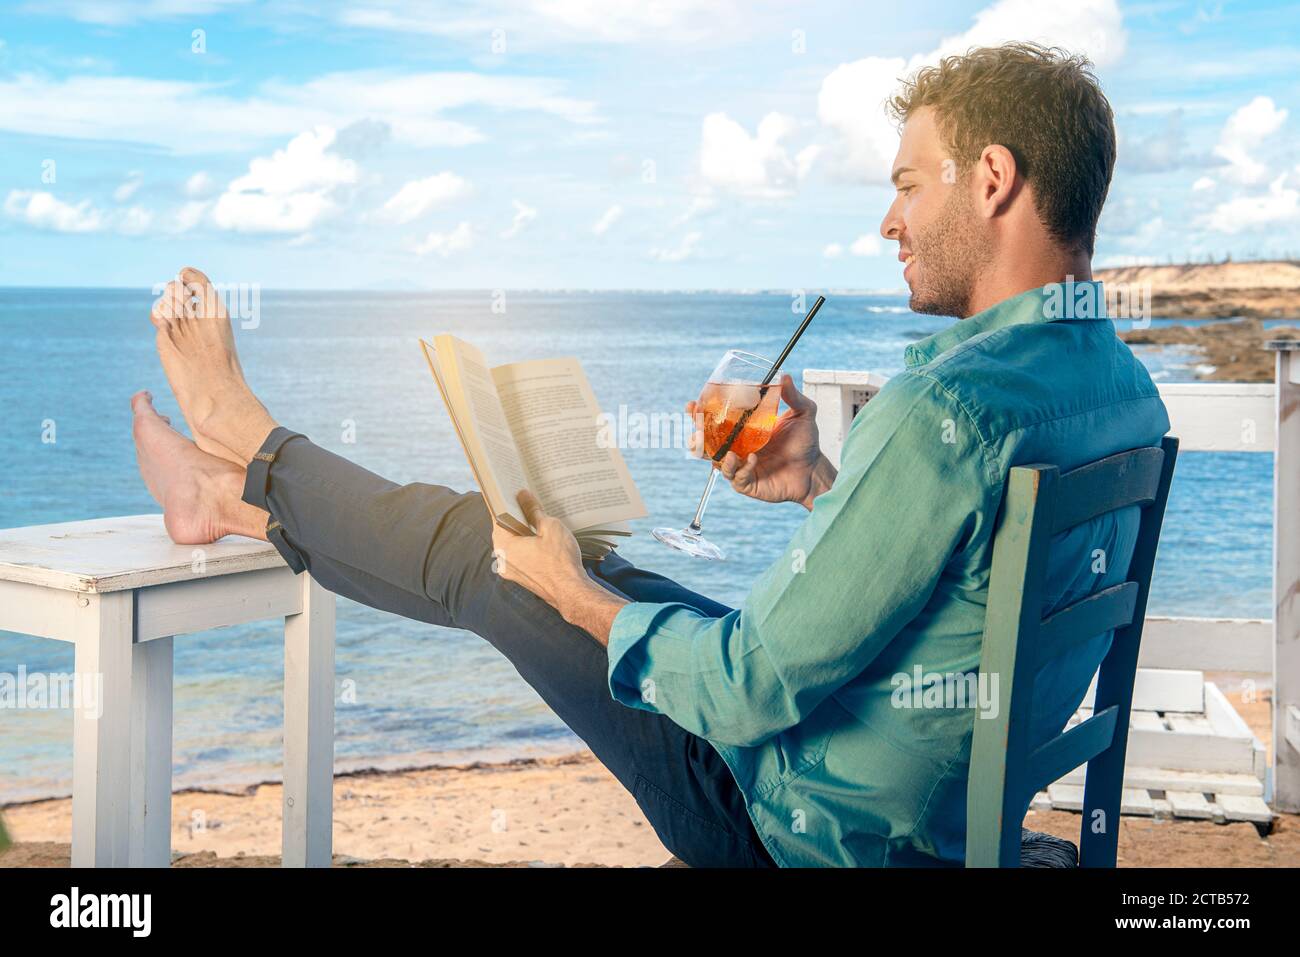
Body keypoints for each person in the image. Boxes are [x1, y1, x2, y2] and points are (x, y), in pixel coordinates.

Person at [133, 42, 1169, 867]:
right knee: (569, 561)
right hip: (927, 805)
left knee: (499, 558)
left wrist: (568, 594)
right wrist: (814, 484)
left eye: (906, 184)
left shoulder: (949, 400)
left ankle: (245, 441)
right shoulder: (1117, 388)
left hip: (796, 824)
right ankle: (239, 499)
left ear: (990, 179)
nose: (887, 220)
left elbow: (748, 693)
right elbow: (968, 596)